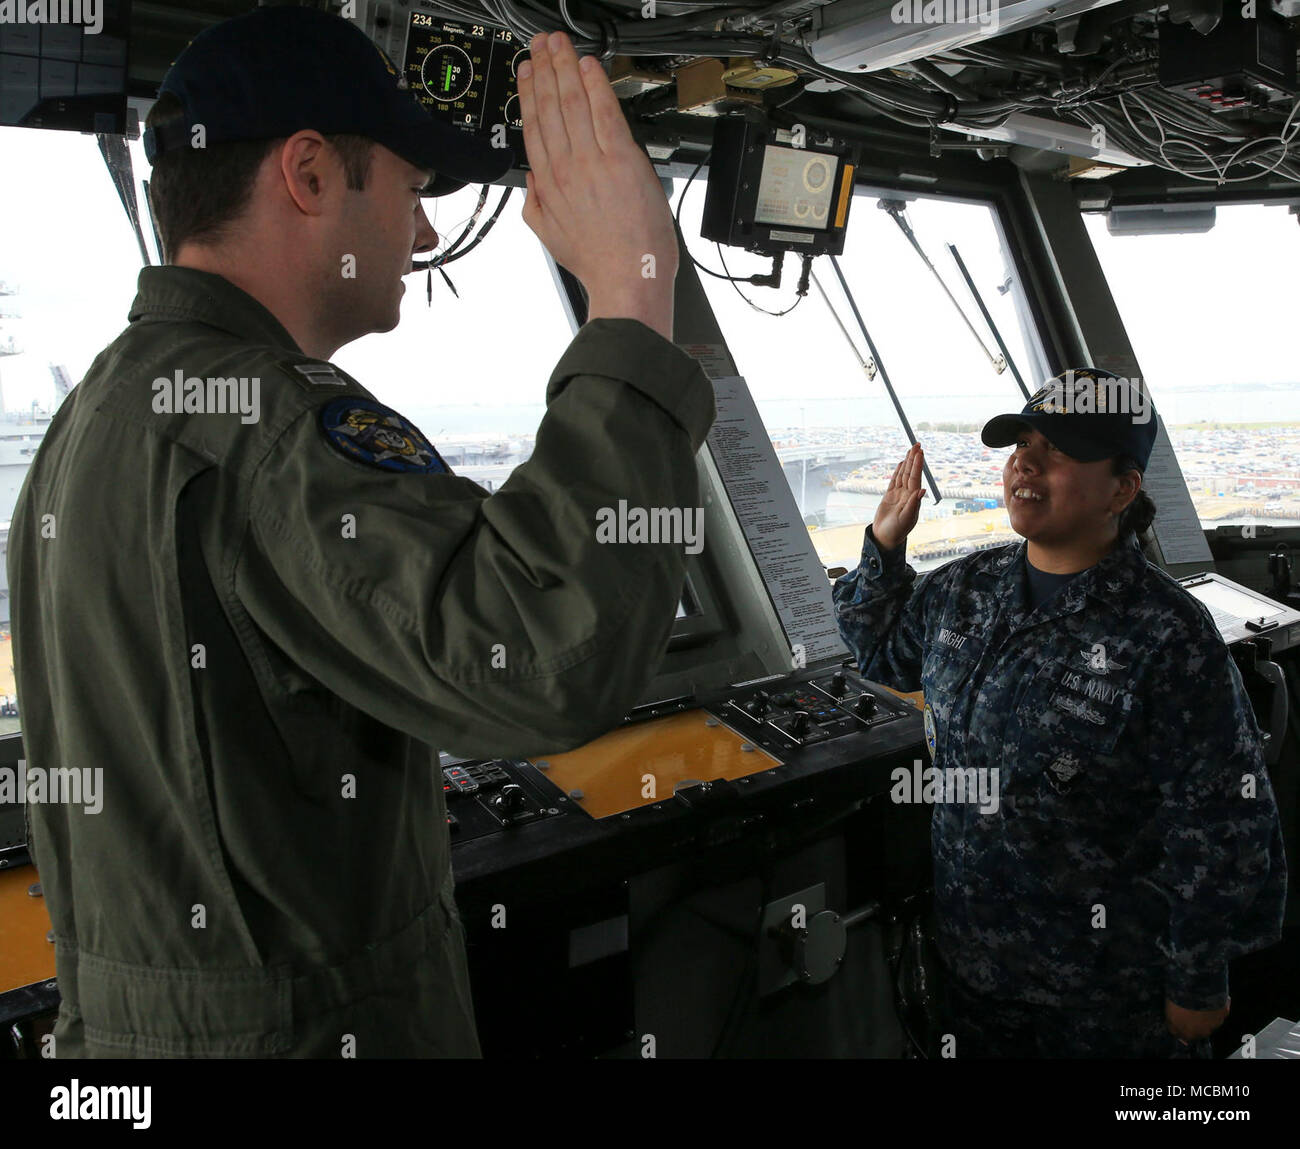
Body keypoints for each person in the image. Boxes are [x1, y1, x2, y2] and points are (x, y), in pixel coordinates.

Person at [7, 9, 714, 1057]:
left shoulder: (99, 412)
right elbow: (537, 655)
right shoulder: (268, 422)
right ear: (308, 174)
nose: (424, 235)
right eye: (410, 188)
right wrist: (629, 290)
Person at [833, 369, 1286, 1058]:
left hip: (1110, 998)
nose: (1026, 462)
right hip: (975, 970)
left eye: (1061, 449)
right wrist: (885, 548)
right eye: (1023, 442)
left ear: (1123, 489)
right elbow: (878, 659)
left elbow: (1224, 820)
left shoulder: (1168, 633)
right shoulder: (965, 588)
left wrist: (1197, 976)